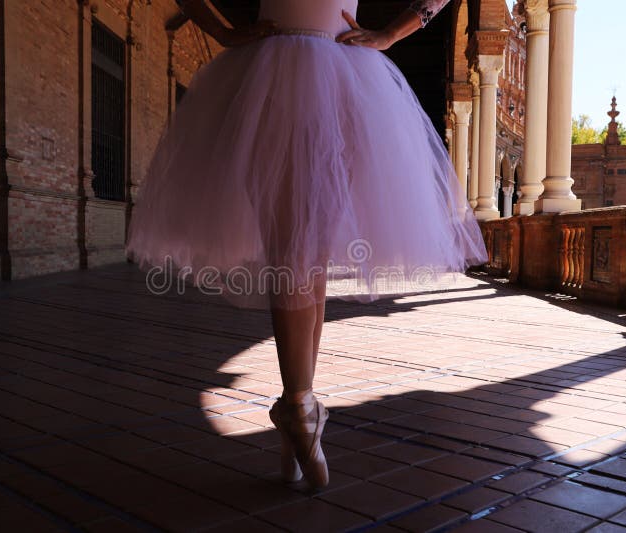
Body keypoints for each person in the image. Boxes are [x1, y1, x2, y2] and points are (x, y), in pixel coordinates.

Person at [125, 0, 487, 489]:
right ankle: (298, 407)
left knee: (307, 255)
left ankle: (300, 404)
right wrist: (222, 29)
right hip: (284, 73)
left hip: (334, 74)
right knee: (294, 252)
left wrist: (392, 33)